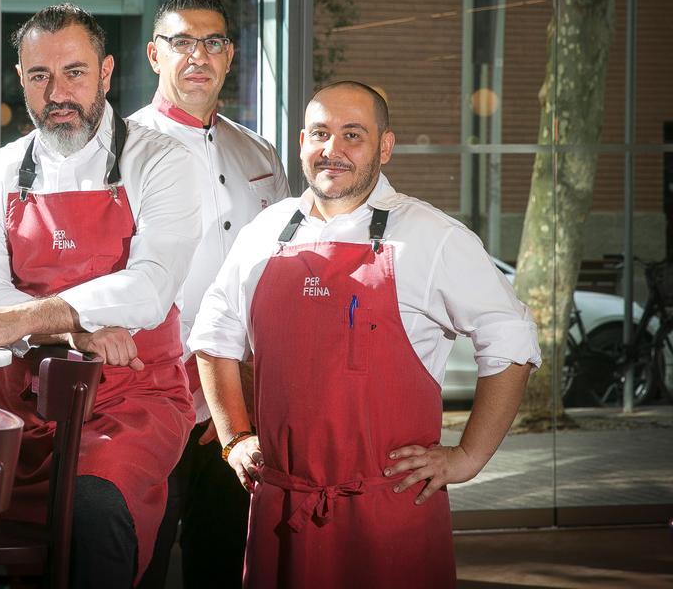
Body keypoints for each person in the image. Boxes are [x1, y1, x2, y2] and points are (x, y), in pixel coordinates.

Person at [190, 81, 542, 588]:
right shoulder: (265, 233)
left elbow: (512, 338)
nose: (332, 150)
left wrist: (467, 457)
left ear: (385, 146)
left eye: (352, 135)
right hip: (280, 506)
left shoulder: (432, 236)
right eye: (320, 133)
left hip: (388, 511)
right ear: (301, 143)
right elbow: (213, 335)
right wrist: (234, 438)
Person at [0, 3, 199, 588]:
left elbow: (149, 286)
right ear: (21, 79)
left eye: (75, 72)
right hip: (20, 401)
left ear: (107, 73)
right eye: (40, 75)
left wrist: (29, 317)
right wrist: (73, 331)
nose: (57, 91)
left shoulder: (161, 162)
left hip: (130, 397)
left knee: (95, 509)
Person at [128, 0, 289, 589]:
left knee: (223, 556)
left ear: (229, 55)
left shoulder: (259, 151)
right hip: (152, 390)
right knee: (142, 555)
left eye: (214, 42)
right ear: (154, 54)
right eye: (182, 42)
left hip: (240, 396)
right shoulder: (119, 151)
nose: (199, 55)